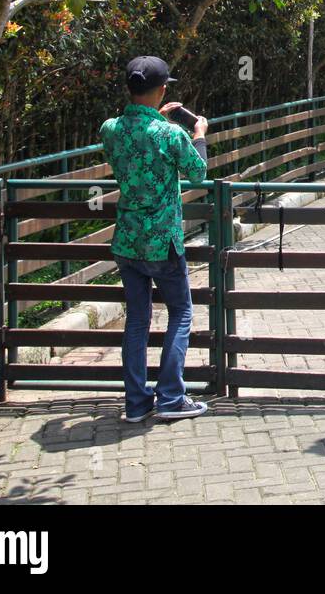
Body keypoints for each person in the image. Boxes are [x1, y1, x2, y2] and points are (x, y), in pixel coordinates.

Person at [100, 56, 209, 423]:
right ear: (162, 89)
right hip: (162, 241)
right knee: (180, 313)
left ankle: (136, 403)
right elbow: (198, 174)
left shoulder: (110, 129)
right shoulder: (171, 134)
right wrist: (199, 135)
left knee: (136, 321)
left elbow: (135, 143)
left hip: (127, 241)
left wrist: (156, 117)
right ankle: (171, 398)